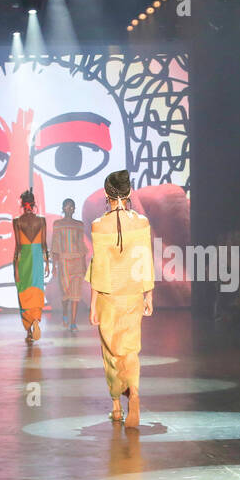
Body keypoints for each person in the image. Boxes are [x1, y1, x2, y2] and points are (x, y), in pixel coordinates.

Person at [87, 171, 153, 427]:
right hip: (133, 293)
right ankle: (133, 394)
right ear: (128, 193)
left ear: (107, 194)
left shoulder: (97, 225)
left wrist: (93, 305)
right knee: (131, 349)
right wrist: (149, 294)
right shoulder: (142, 222)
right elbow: (145, 258)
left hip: (108, 295)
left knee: (111, 353)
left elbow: (99, 266)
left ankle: (116, 406)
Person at [12, 189, 49, 344]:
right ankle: (36, 319)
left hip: (24, 258)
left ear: (22, 204)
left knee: (23, 291)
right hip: (37, 259)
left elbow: (18, 247)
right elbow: (44, 245)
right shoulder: (41, 221)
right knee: (37, 289)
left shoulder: (17, 221)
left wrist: (15, 268)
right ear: (34, 204)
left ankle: (28, 331)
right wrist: (47, 263)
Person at [51, 198, 88, 333]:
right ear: (63, 208)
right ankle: (65, 313)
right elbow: (55, 244)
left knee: (76, 293)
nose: (69, 209)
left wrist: (84, 265)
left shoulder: (79, 225)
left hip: (77, 261)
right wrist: (54, 265)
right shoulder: (57, 224)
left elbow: (81, 244)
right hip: (64, 262)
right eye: (67, 206)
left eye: (72, 207)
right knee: (66, 292)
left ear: (74, 209)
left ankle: (73, 322)